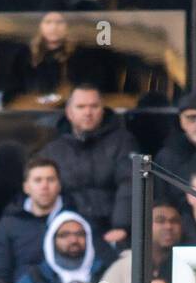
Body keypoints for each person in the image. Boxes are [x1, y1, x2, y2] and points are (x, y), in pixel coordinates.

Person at [38, 85, 133, 244]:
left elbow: (130, 183)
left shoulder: (123, 142)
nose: (88, 112)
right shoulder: (53, 149)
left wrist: (122, 226)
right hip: (66, 233)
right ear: (69, 112)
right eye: (81, 107)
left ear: (103, 110)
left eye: (94, 106)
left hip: (112, 231)